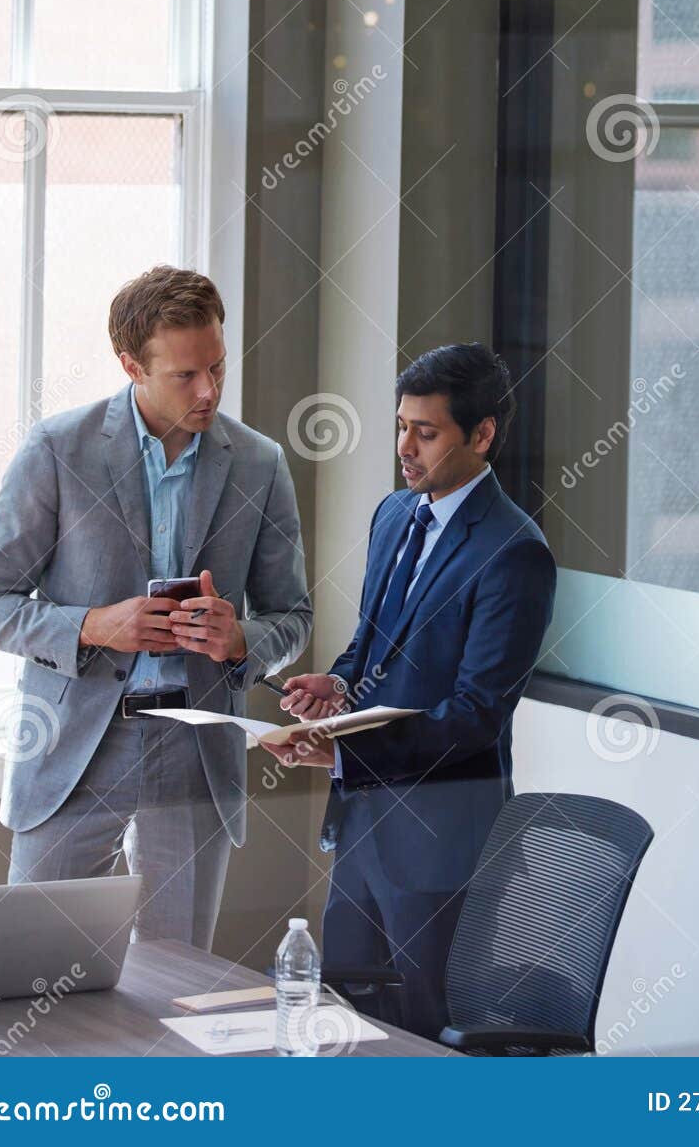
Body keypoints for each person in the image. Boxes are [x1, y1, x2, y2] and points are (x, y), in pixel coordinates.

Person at [0, 265, 312, 950]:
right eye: (186, 375)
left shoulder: (260, 464)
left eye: (217, 366)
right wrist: (95, 625)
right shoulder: (57, 451)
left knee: (175, 995)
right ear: (131, 366)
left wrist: (241, 640)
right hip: (76, 750)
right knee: (31, 972)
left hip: (196, 749)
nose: (209, 390)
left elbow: (294, 617)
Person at [267, 343, 556, 1039]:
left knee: (427, 1033)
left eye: (426, 432)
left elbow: (476, 716)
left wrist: (344, 756)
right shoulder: (394, 515)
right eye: (401, 426)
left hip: (442, 838)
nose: (405, 446)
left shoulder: (514, 552)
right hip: (363, 828)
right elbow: (372, 645)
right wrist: (335, 684)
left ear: (482, 435)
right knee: (344, 1025)